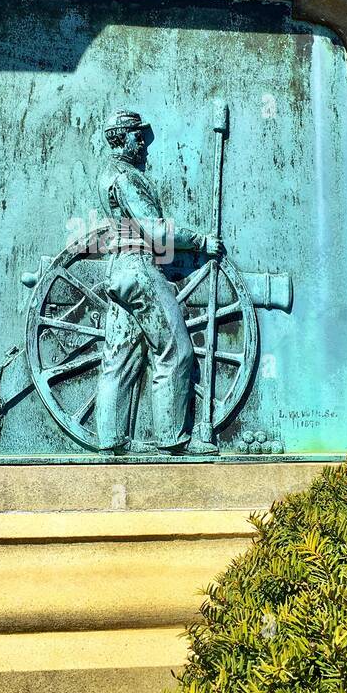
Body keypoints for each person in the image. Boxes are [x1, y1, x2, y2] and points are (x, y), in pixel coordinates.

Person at [94, 110, 220, 453]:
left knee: (120, 358)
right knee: (175, 350)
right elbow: (154, 230)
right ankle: (172, 439)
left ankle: (110, 439)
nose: (144, 145)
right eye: (139, 137)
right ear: (124, 137)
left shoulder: (107, 174)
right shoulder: (128, 177)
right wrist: (199, 241)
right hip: (139, 267)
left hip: (118, 271)